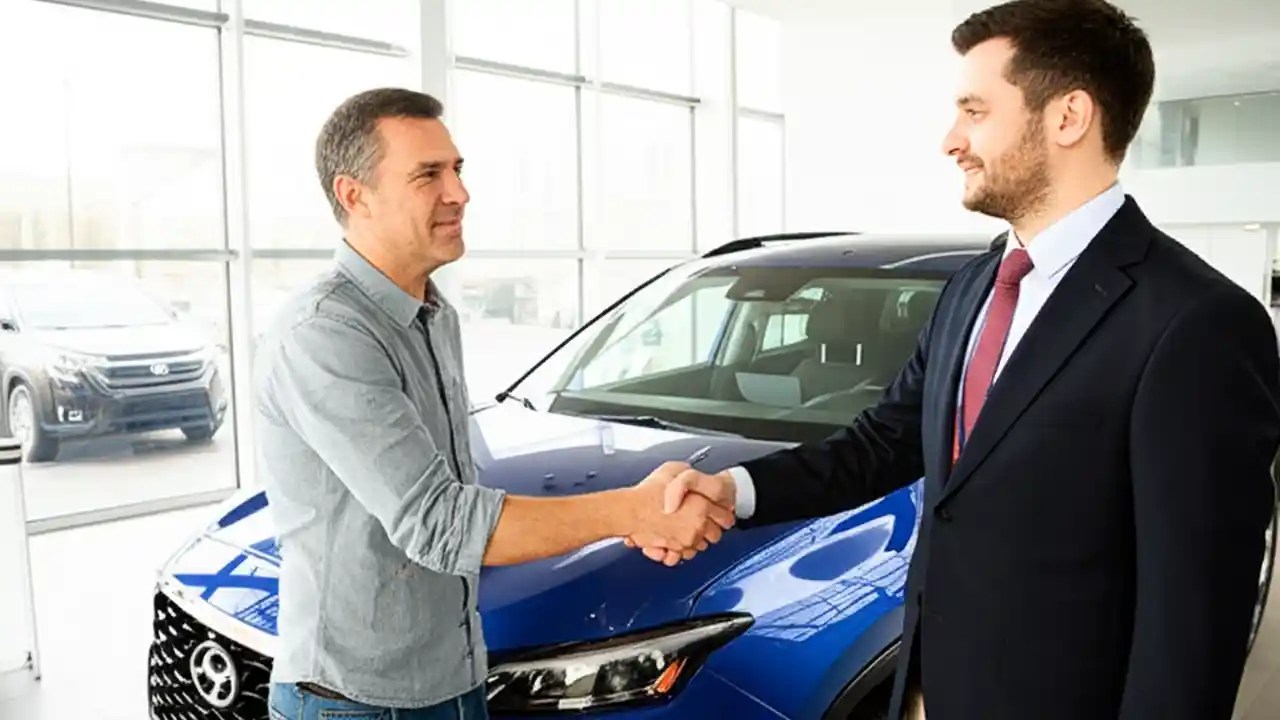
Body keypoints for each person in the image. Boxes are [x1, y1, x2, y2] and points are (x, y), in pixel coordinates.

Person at [635, 1, 1280, 718]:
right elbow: (886, 439)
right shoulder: (976, 283)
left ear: (1068, 118)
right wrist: (736, 490)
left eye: (974, 110)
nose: (951, 140)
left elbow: (1192, 620)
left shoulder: (1198, 323)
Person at [253, 88, 734, 720]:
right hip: (358, 702)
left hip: (455, 676)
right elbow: (439, 521)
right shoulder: (325, 333)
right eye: (429, 174)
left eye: (457, 169)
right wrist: (636, 512)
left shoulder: (431, 313)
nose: (458, 193)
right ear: (353, 195)